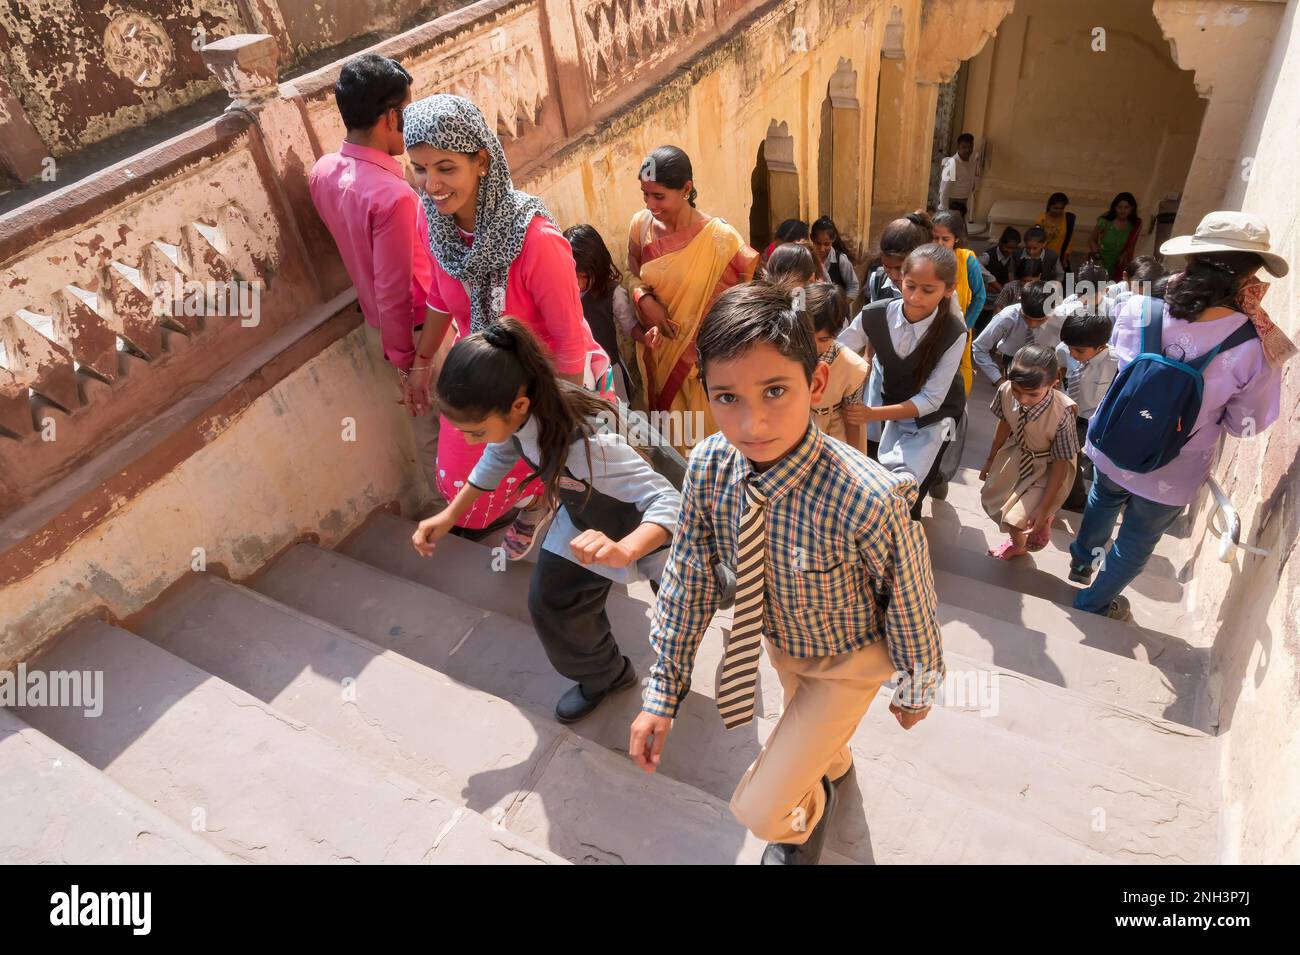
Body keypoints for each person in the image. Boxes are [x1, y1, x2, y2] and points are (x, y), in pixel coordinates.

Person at [628, 281, 944, 865]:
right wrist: (663, 691)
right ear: (707, 393)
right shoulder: (708, 467)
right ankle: (832, 762)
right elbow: (689, 577)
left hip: (850, 662)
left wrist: (918, 684)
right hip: (782, 644)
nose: (752, 422)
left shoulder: (866, 497)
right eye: (727, 398)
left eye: (776, 390)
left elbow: (910, 599)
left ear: (816, 383)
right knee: (818, 737)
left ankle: (801, 824)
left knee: (762, 807)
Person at [411, 318, 680, 722]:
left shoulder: (589, 445)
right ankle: (606, 675)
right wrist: (451, 514)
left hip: (648, 531)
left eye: (476, 431)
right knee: (552, 601)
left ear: (517, 406)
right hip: (587, 515)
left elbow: (668, 499)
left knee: (679, 613)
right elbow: (503, 449)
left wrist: (625, 549)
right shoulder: (524, 414)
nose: (470, 442)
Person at [404, 94, 612, 553]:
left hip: (544, 380)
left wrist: (557, 433)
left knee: (533, 461)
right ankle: (535, 494)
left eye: (445, 167)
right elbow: (441, 294)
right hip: (485, 372)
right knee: (463, 490)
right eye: (420, 169)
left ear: (480, 161)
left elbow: (567, 343)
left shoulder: (536, 241)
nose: (431, 184)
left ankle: (539, 501)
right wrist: (422, 364)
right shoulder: (430, 220)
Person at [1068, 211, 1294, 620]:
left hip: (1115, 438)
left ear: (1191, 260)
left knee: (1103, 498)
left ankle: (1082, 561)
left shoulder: (1139, 307)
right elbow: (1247, 423)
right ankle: (1093, 602)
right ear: (1250, 278)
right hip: (1175, 466)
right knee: (1137, 540)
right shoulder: (1253, 347)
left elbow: (1122, 362)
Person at [308, 53, 445, 509]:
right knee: (447, 424)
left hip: (380, 330)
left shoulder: (323, 172)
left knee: (425, 426)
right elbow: (394, 288)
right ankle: (469, 514)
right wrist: (413, 364)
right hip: (417, 334)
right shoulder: (394, 196)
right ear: (391, 117)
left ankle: (452, 513)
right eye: (409, 110)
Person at [628, 145, 761, 457]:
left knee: (708, 439)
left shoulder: (721, 238)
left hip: (703, 361)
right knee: (671, 435)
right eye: (645, 194)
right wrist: (644, 299)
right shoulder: (640, 225)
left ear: (686, 189)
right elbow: (630, 272)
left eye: (658, 196)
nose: (650, 204)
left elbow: (741, 305)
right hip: (658, 351)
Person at [855, 244, 968, 520]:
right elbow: (839, 351)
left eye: (928, 290)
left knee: (911, 491)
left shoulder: (954, 331)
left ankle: (906, 545)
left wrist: (871, 414)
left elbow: (931, 400)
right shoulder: (874, 314)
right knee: (879, 480)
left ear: (948, 289)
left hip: (935, 417)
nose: (915, 297)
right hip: (891, 405)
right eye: (910, 286)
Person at [838, 212, 937, 457]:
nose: (894, 275)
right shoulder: (877, 281)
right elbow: (865, 329)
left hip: (921, 382)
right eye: (887, 266)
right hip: (883, 376)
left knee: (909, 450)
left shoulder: (940, 294)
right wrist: (868, 358)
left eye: (900, 268)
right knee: (875, 443)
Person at [979, 345, 1078, 558]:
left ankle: (1019, 546)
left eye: (1033, 394)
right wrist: (990, 459)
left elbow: (1061, 463)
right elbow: (1005, 422)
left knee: (1015, 522)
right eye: (1017, 391)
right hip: (1018, 455)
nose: (1023, 399)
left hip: (1049, 468)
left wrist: (1044, 508)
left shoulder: (1063, 413)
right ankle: (1035, 521)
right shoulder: (1005, 390)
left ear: (1054, 383)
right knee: (994, 502)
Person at [564, 224, 649, 403]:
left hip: (611, 373)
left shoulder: (614, 293)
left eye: (585, 277)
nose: (578, 283)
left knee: (617, 420)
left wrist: (646, 338)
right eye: (574, 275)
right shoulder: (559, 294)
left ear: (598, 267)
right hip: (578, 376)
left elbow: (630, 326)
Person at [1055, 312, 1118, 512]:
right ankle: (1073, 498)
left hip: (1092, 420)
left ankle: (1076, 501)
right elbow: (1060, 371)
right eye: (1070, 348)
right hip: (1067, 411)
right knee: (1064, 458)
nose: (1072, 354)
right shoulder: (1064, 350)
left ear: (1100, 347)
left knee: (1068, 458)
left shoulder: (1117, 363)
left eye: (1079, 351)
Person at [805, 281, 869, 449]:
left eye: (823, 339)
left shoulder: (850, 366)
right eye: (808, 335)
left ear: (836, 333)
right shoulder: (787, 352)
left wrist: (855, 458)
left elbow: (852, 417)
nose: (813, 345)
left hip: (833, 435)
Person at [973, 281, 1058, 386]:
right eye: (1026, 318)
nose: (1032, 324)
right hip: (1011, 362)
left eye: (1040, 320)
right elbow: (979, 347)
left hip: (1044, 366)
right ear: (1020, 301)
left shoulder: (1060, 320)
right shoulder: (1007, 317)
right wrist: (997, 379)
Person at [1086, 192, 1142, 279]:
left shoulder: (1133, 226)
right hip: (1101, 262)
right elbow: (1091, 239)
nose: (1123, 210)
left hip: (1118, 265)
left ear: (1132, 208)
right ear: (1114, 207)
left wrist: (1125, 254)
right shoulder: (1105, 222)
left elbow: (1131, 247)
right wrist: (1097, 256)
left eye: (1126, 207)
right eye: (1119, 207)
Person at [810, 215, 861, 304]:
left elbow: (853, 286)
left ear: (833, 240)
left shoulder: (841, 260)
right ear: (811, 239)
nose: (822, 249)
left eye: (826, 244)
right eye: (818, 243)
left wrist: (841, 306)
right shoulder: (807, 259)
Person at [938, 132, 978, 217]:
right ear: (958, 147)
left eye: (970, 146)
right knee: (952, 229)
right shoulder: (952, 164)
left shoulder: (972, 160)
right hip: (952, 203)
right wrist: (945, 212)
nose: (968, 150)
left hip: (965, 200)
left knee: (961, 228)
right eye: (964, 147)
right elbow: (944, 190)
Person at [1033, 192, 1077, 269]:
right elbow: (1035, 240)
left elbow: (1070, 240)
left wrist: (1065, 257)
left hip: (1060, 257)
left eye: (1061, 208)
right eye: (1055, 208)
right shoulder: (1041, 219)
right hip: (1043, 257)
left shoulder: (1068, 218)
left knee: (1067, 279)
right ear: (1049, 206)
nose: (1058, 211)